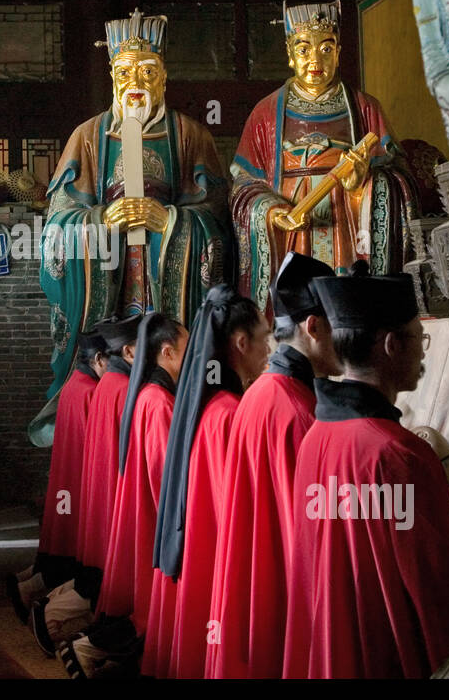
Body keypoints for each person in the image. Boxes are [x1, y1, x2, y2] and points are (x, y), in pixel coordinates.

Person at [283, 264, 449, 678]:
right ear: (391, 345)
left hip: (338, 639)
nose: (424, 353)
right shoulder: (395, 453)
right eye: (419, 340)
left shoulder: (317, 435)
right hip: (383, 647)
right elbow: (439, 584)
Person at [37, 9, 231, 410]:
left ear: (164, 77)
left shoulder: (191, 135)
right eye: (125, 73)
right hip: (112, 293)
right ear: (112, 78)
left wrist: (171, 222)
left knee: (172, 401)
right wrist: (101, 220)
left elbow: (220, 219)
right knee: (110, 397)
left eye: (147, 72)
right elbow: (57, 226)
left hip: (171, 295)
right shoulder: (89, 137)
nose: (136, 84)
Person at [230, 1, 418, 313]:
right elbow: (243, 185)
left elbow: (399, 178)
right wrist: (272, 212)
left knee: (345, 311)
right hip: (293, 226)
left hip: (344, 224)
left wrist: (363, 184)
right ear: (290, 55)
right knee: (297, 310)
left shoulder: (364, 107)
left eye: (326, 49)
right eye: (304, 49)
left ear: (339, 52)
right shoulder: (265, 114)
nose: (315, 59)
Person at [205, 251, 339, 678]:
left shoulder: (261, 391)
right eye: (342, 326)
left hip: (256, 591)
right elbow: (314, 542)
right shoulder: (298, 412)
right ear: (314, 328)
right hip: (284, 599)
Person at [145, 286, 268, 678]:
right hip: (217, 555)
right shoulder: (230, 413)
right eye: (266, 339)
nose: (270, 351)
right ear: (242, 342)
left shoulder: (210, 404)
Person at [58, 311, 187, 678]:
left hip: (137, 510)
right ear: (164, 352)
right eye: (186, 348)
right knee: (149, 609)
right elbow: (165, 478)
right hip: (152, 519)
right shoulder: (158, 399)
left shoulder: (143, 392)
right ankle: (90, 647)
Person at [30, 315, 142, 650]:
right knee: (98, 580)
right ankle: (54, 619)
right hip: (104, 493)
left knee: (89, 573)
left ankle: (45, 606)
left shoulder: (94, 386)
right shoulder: (111, 389)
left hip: (91, 489)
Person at [8, 329, 106, 622]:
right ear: (99, 359)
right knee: (70, 555)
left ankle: (31, 594)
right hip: (78, 483)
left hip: (66, 482)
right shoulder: (90, 390)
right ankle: (47, 612)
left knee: (60, 549)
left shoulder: (75, 383)